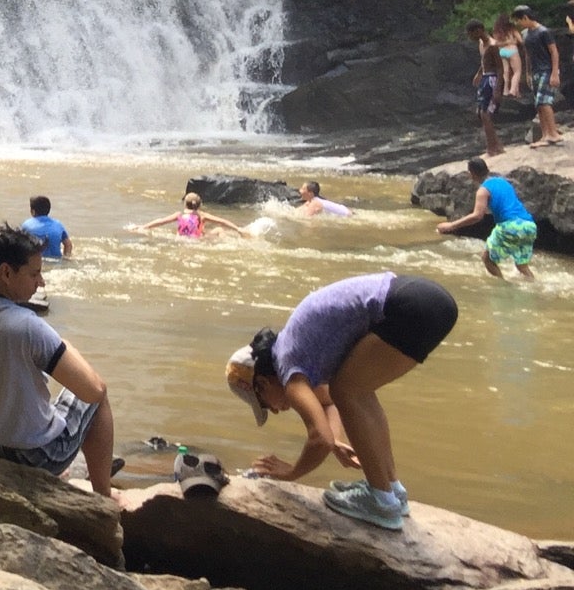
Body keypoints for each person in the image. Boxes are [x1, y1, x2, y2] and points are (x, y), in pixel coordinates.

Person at [225, 272, 457, 531]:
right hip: (427, 299)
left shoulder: (288, 368)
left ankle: (381, 501)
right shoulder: (295, 349)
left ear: (263, 383)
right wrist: (335, 442)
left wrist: (290, 473)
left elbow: (318, 438)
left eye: (265, 405)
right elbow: (328, 403)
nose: (276, 412)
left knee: (348, 390)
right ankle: (392, 490)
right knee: (355, 390)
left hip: (407, 306)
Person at [0, 224, 118, 498]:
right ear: (6, 273)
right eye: (34, 273)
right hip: (32, 456)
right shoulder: (27, 326)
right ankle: (103, 496)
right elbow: (92, 390)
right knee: (98, 393)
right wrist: (65, 345)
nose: (41, 282)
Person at [436, 156, 537, 281]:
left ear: (471, 173)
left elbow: (477, 216)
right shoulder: (503, 182)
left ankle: (504, 288)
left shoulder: (483, 190)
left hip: (510, 226)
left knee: (487, 259)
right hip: (528, 225)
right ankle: (533, 284)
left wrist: (451, 226)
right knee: (522, 265)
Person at [512, 5, 562, 147]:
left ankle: (553, 133)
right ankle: (545, 134)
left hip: (546, 69)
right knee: (538, 104)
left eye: (519, 20)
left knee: (544, 101)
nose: (518, 23)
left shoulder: (544, 32)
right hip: (535, 72)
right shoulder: (525, 34)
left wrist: (554, 73)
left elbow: (554, 52)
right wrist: (527, 73)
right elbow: (527, 54)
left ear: (525, 17)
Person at [466, 20, 504, 158]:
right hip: (485, 77)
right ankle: (496, 145)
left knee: (485, 113)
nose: (471, 37)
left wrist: (498, 89)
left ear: (479, 30)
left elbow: (500, 68)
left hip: (492, 79)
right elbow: (485, 61)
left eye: (471, 34)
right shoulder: (481, 44)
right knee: (481, 113)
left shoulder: (493, 45)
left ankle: (492, 148)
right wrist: (479, 73)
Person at [141, 192, 246, 239]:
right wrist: (238, 229)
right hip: (197, 239)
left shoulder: (179, 215)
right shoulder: (202, 215)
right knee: (219, 229)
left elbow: (161, 221)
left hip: (180, 239)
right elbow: (222, 221)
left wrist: (144, 227)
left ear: (185, 204)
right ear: (199, 205)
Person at [492, 16, 524, 101]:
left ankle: (505, 91)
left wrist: (505, 43)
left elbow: (495, 43)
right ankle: (513, 90)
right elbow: (520, 40)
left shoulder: (496, 30)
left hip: (502, 52)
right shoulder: (511, 28)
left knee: (505, 72)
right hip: (512, 50)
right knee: (517, 72)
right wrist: (513, 41)